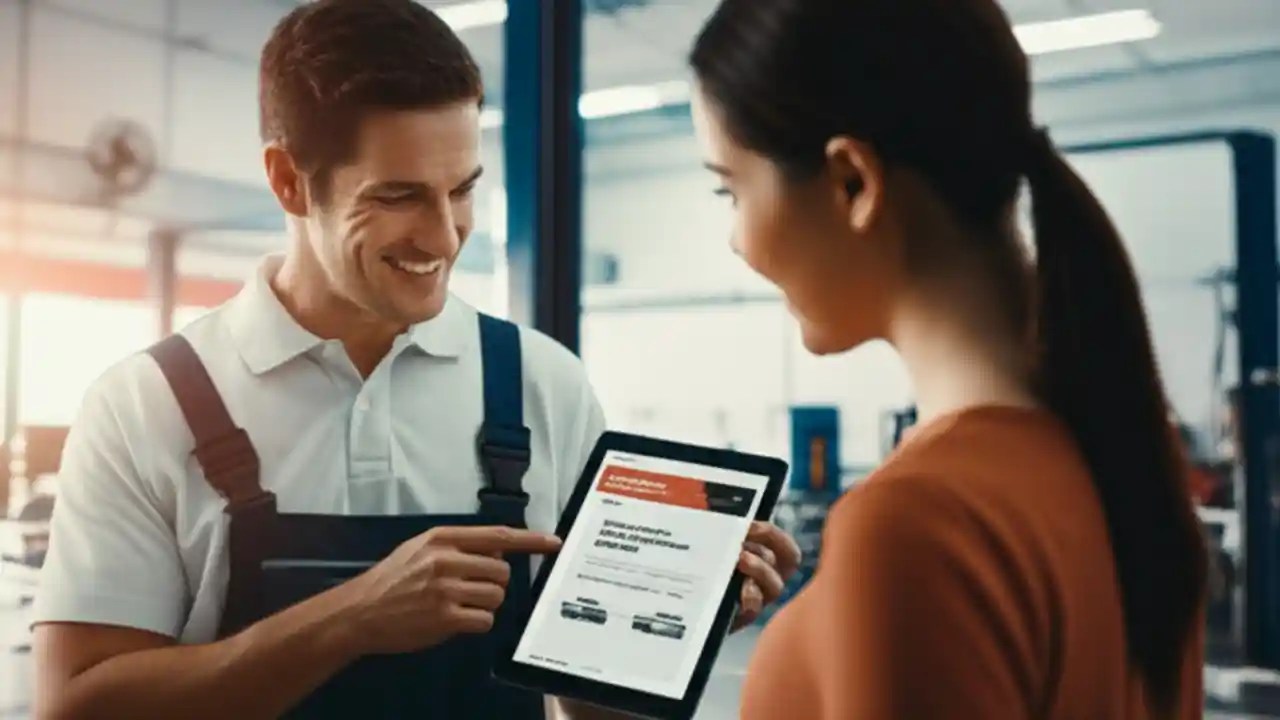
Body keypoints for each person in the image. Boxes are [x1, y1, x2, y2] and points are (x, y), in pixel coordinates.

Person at [31, 2, 800, 718]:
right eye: (398, 196)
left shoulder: (543, 384)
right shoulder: (145, 404)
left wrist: (673, 626)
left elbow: (588, 709)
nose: (443, 236)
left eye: (461, 190)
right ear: (289, 181)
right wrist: (349, 620)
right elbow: (78, 704)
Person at [687, 0, 1207, 718]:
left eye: (731, 189)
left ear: (852, 183)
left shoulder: (913, 523)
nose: (736, 241)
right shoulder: (1122, 458)